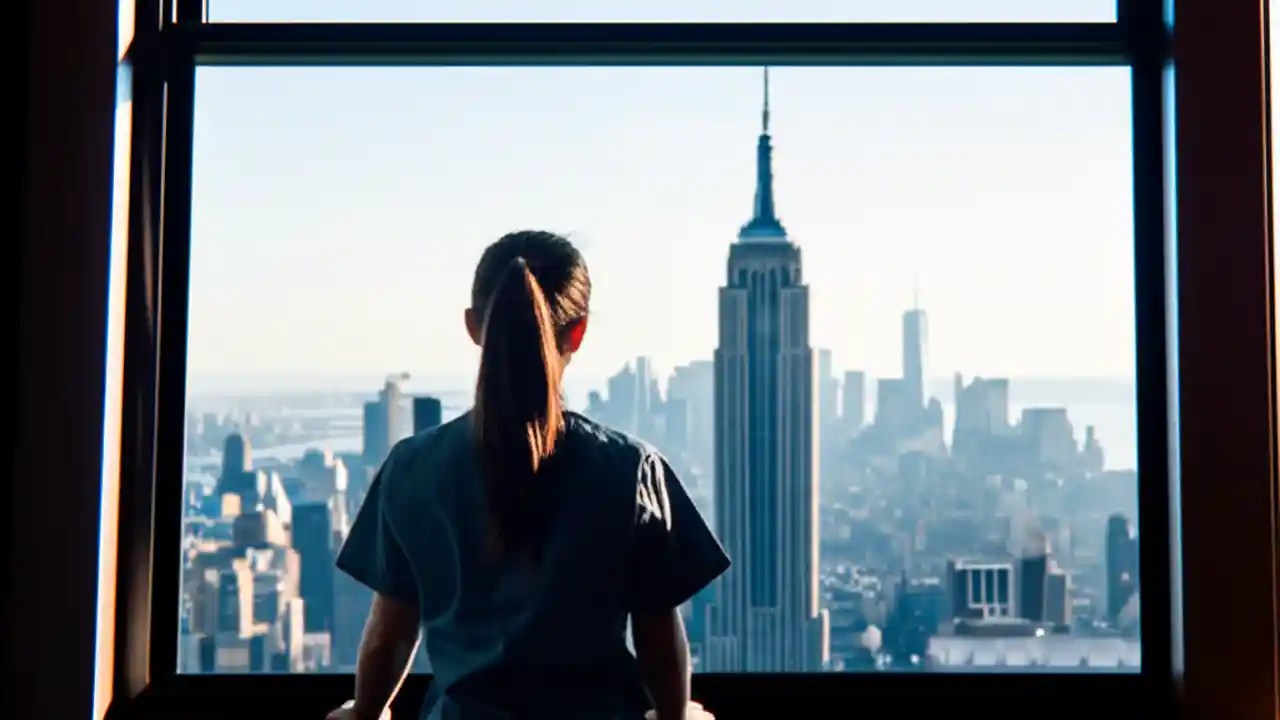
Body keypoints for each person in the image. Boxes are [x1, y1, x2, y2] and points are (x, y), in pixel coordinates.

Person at [326, 231, 730, 720]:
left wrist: (365, 713)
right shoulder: (630, 470)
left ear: (474, 327)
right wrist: (674, 717)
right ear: (577, 333)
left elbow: (389, 635)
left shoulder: (412, 468)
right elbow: (658, 638)